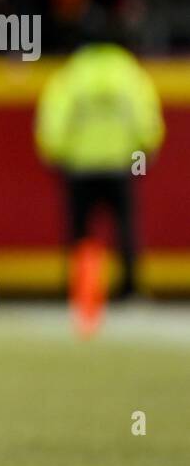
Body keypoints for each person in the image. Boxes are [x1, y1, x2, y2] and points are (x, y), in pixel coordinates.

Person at [35, 42, 164, 299]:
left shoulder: (72, 75)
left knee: (78, 231)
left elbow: (54, 120)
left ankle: (79, 288)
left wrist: (55, 153)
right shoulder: (130, 74)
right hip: (119, 165)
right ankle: (129, 288)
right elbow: (146, 120)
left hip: (80, 166)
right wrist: (143, 152)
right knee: (125, 229)